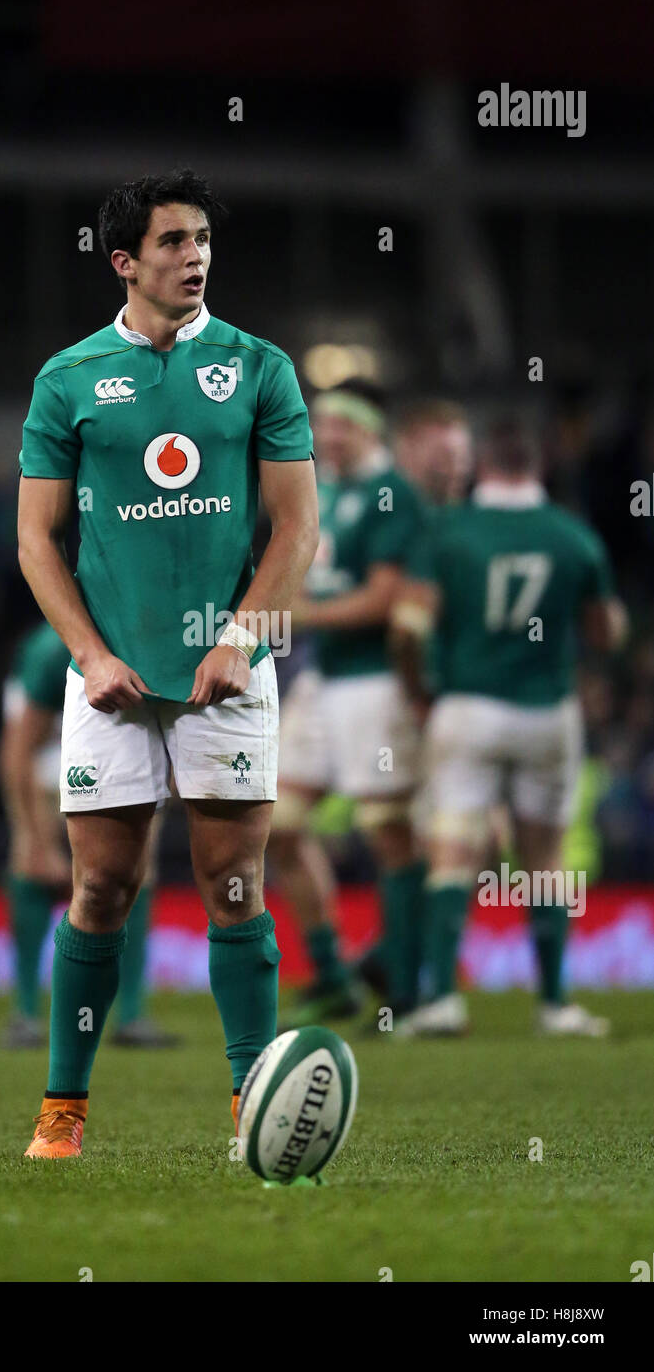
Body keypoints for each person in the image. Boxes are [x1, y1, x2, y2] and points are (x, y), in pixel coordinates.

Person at [17, 169, 318, 1157]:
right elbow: (36, 541)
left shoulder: (258, 366)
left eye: (201, 240)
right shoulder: (66, 379)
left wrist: (242, 638)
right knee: (101, 887)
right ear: (124, 260)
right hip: (111, 678)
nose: (194, 257)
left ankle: (250, 1105)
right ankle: (63, 1109)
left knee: (233, 883)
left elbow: (295, 526)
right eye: (173, 242)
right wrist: (89, 655)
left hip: (224, 671)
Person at [390, 418, 627, 1036]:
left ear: (484, 466)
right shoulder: (573, 537)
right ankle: (554, 1004)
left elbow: (408, 629)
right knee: (544, 858)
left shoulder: (448, 532)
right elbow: (607, 633)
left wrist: (420, 694)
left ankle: (441, 999)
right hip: (548, 710)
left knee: (451, 852)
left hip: (467, 708)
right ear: (539, 468)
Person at [267, 380, 430, 1027]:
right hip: (321, 677)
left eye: (343, 424)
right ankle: (333, 973)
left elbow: (388, 598)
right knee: (275, 825)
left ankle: (404, 983)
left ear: (373, 429)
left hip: (374, 681)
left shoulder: (394, 499)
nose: (328, 434)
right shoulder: (322, 489)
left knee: (386, 831)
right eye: (322, 422)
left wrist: (299, 611)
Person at [0, 620, 178, 1049]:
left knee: (140, 865)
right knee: (30, 861)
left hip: (117, 754)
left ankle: (132, 1014)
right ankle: (24, 1012)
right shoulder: (50, 649)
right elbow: (17, 751)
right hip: (48, 766)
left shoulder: (147, 634)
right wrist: (37, 841)